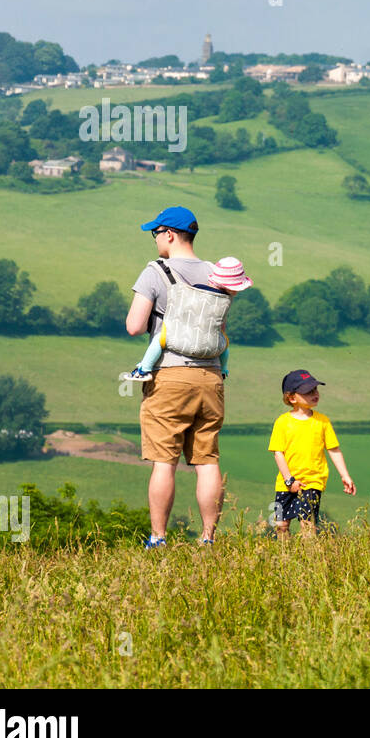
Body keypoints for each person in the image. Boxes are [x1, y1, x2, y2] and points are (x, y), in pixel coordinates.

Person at [125, 206, 227, 548]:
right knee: (207, 460)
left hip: (169, 375)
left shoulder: (156, 271)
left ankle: (158, 538)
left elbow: (135, 326)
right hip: (211, 376)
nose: (155, 239)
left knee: (164, 462)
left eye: (156, 233)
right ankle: (209, 539)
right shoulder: (217, 273)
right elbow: (221, 330)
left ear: (169, 234)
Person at [120, 257, 252, 383]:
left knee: (159, 339)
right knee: (224, 346)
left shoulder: (197, 289)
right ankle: (223, 369)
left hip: (180, 342)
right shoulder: (225, 300)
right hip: (211, 350)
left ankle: (144, 369)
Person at [269, 369, 356, 538]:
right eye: (308, 392)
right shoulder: (282, 422)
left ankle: (309, 559)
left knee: (307, 524)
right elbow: (278, 453)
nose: (314, 394)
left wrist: (345, 475)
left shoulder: (323, 421)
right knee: (281, 525)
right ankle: (283, 558)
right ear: (292, 398)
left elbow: (334, 449)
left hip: (312, 482)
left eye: (315, 390)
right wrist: (289, 480)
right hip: (285, 483)